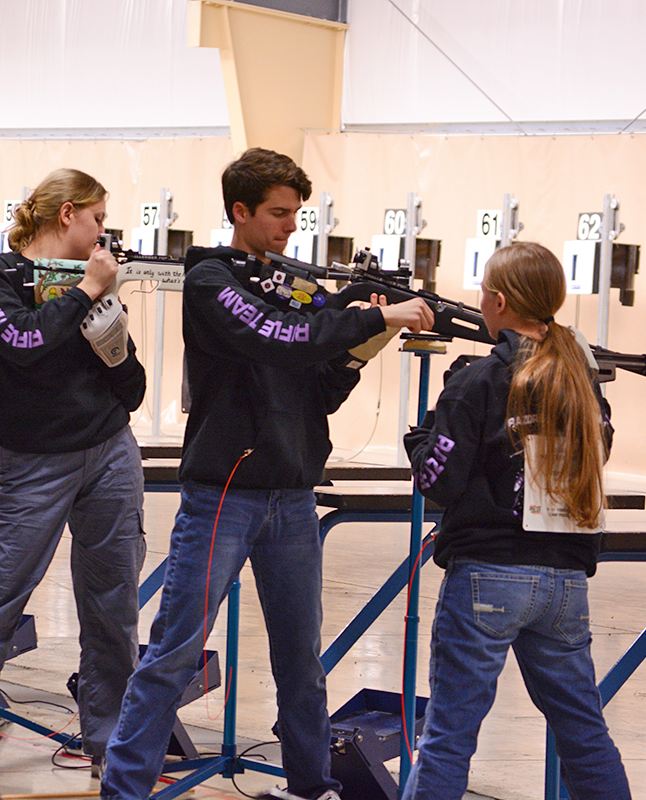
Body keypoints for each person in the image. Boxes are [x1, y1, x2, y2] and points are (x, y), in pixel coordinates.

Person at [100, 148, 434, 800]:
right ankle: (123, 790)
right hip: (224, 493)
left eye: (295, 214)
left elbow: (317, 385)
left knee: (301, 664)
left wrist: (358, 348)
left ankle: (310, 787)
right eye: (278, 213)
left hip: (291, 493)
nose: (289, 225)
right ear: (240, 211)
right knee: (172, 655)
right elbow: (273, 335)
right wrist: (368, 316)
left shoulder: (291, 293)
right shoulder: (211, 282)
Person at [0, 168, 147, 769]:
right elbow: (21, 345)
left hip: (110, 450)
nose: (104, 234)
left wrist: (111, 337)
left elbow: (134, 386)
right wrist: (82, 296)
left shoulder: (92, 286)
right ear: (67, 214)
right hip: (35, 462)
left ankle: (113, 749)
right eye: (98, 219)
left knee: (114, 606)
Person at [401, 242, 631, 799]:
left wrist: (422, 435)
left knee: (449, 736)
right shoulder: (581, 380)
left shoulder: (480, 379)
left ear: (498, 302)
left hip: (488, 575)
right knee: (584, 732)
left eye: (483, 291)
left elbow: (439, 480)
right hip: (565, 581)